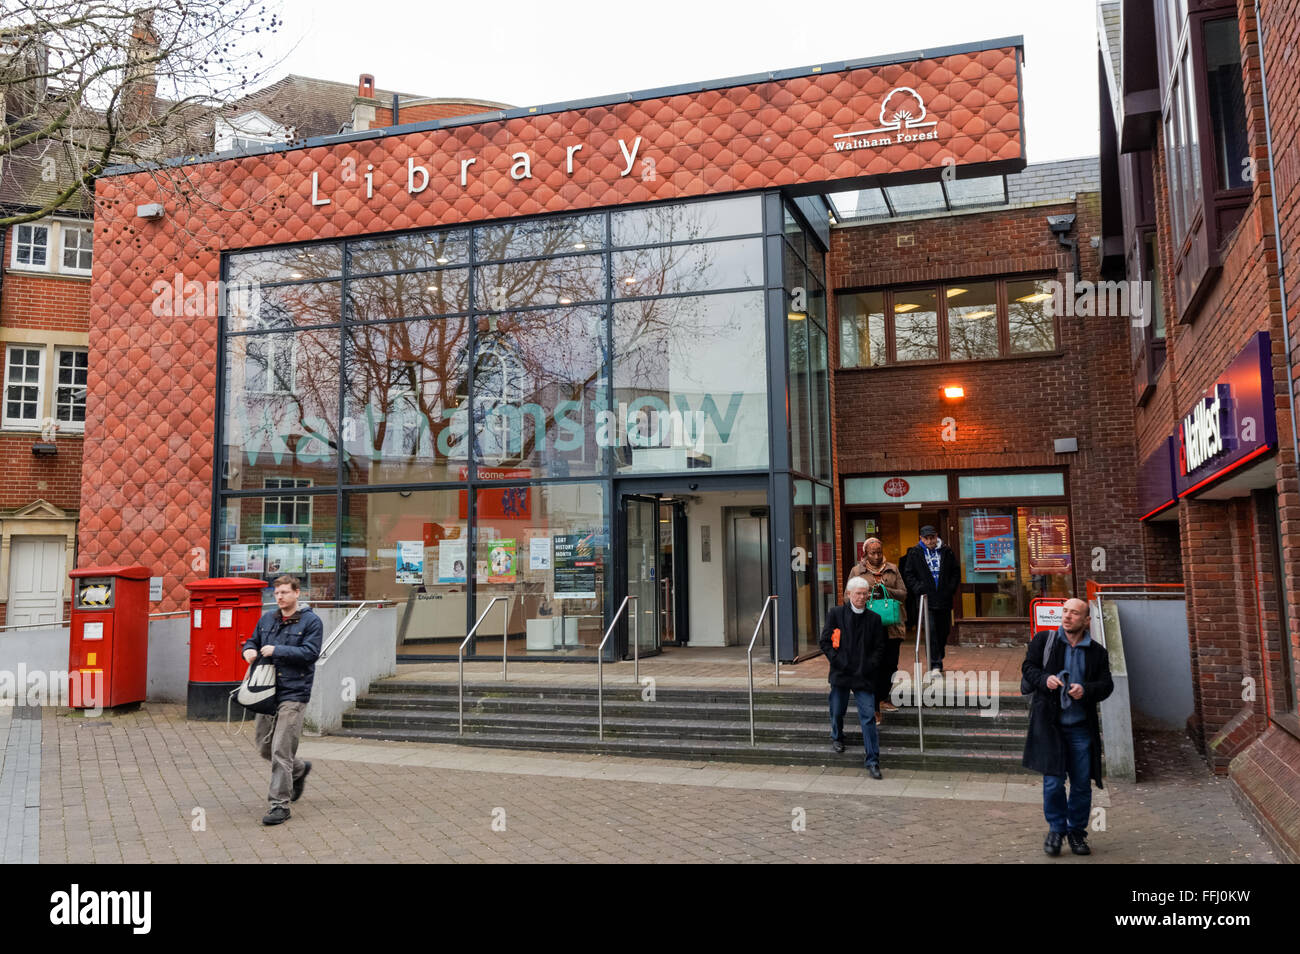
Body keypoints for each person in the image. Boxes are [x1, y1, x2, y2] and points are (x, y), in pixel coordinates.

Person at [1021, 598, 1114, 857]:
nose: (1067, 616)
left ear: (1086, 620)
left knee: (1082, 784)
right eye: (1065, 611)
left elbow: (1106, 685)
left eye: (1074, 613)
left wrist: (1086, 690)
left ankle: (1077, 833)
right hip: (1050, 726)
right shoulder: (1044, 641)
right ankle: (1056, 829)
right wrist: (1044, 679)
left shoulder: (1097, 652)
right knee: (1052, 783)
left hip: (1080, 729)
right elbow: (1028, 668)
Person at [241, 575, 323, 826]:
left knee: (280, 750)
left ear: (297, 593)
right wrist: (248, 650)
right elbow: (253, 640)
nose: (280, 597)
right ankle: (298, 770)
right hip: (267, 692)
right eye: (277, 593)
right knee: (265, 747)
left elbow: (310, 653)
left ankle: (279, 805)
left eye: (285, 592)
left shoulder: (311, 621)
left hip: (294, 693)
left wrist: (278, 650)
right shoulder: (267, 619)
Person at [818, 576, 886, 779]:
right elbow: (825, 641)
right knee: (837, 710)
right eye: (858, 593)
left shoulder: (874, 619)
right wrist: (838, 661)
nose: (862, 597)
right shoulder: (836, 614)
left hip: (864, 676)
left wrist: (870, 665)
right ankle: (837, 736)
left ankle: (872, 760)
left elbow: (880, 647)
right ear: (848, 594)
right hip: (841, 672)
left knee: (868, 717)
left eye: (865, 593)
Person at [849, 537, 908, 722]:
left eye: (879, 552)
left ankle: (882, 697)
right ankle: (874, 706)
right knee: (872, 666)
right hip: (868, 627)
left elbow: (904, 594)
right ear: (865, 553)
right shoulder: (857, 571)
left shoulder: (892, 569)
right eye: (872, 553)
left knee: (890, 664)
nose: (876, 556)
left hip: (892, 625)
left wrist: (885, 590)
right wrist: (866, 594)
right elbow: (846, 597)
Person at [901, 525, 959, 675]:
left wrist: (950, 589)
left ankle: (939, 654)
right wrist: (919, 588)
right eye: (926, 538)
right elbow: (908, 574)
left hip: (944, 598)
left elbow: (955, 572)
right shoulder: (915, 553)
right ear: (921, 539)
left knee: (943, 631)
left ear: (936, 536)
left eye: (932, 537)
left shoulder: (946, 551)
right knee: (931, 631)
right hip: (926, 599)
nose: (930, 541)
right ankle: (935, 664)